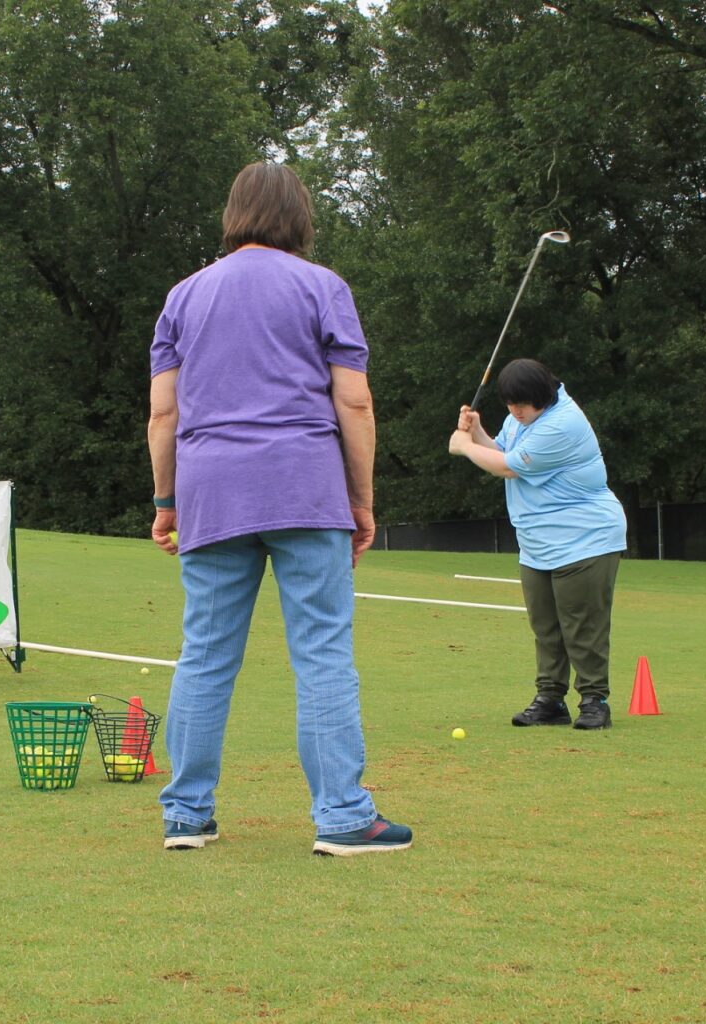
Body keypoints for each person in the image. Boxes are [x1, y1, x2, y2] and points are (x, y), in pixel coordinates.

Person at [146, 161, 411, 856]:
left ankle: (186, 814)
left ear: (233, 213)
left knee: (204, 655)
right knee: (322, 653)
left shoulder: (182, 296)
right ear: (300, 217)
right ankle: (344, 817)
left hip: (210, 489)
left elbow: (163, 414)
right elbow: (353, 401)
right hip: (305, 486)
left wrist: (166, 500)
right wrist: (361, 500)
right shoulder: (323, 287)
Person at [447, 358, 626, 730]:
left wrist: (464, 446)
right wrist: (478, 433)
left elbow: (509, 467)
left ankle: (595, 701)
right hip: (538, 543)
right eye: (510, 404)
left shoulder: (562, 424)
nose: (515, 412)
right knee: (546, 626)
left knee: (581, 625)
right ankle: (550, 700)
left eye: (522, 405)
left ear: (543, 396)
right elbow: (501, 450)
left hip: (585, 538)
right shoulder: (523, 417)